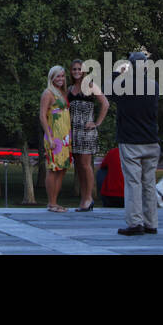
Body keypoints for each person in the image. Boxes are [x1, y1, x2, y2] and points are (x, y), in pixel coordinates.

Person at [108, 52, 159, 236]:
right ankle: (151, 222)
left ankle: (135, 222)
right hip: (151, 139)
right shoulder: (154, 86)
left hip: (130, 140)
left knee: (133, 183)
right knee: (149, 183)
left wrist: (118, 72)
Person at [68, 59, 109, 211]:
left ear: (84, 71)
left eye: (79, 69)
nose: (77, 71)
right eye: (74, 69)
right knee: (78, 166)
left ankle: (89, 198)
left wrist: (96, 123)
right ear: (71, 71)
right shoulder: (70, 88)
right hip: (73, 131)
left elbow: (105, 103)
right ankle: (84, 198)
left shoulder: (90, 85)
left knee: (86, 165)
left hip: (86, 131)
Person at [39, 65, 73, 211]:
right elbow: (42, 115)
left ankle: (55, 201)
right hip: (54, 137)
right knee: (53, 168)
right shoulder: (48, 93)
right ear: (51, 78)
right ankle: (51, 203)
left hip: (65, 136)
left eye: (62, 76)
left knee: (62, 168)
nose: (60, 79)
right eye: (57, 76)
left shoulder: (62, 93)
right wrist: (50, 137)